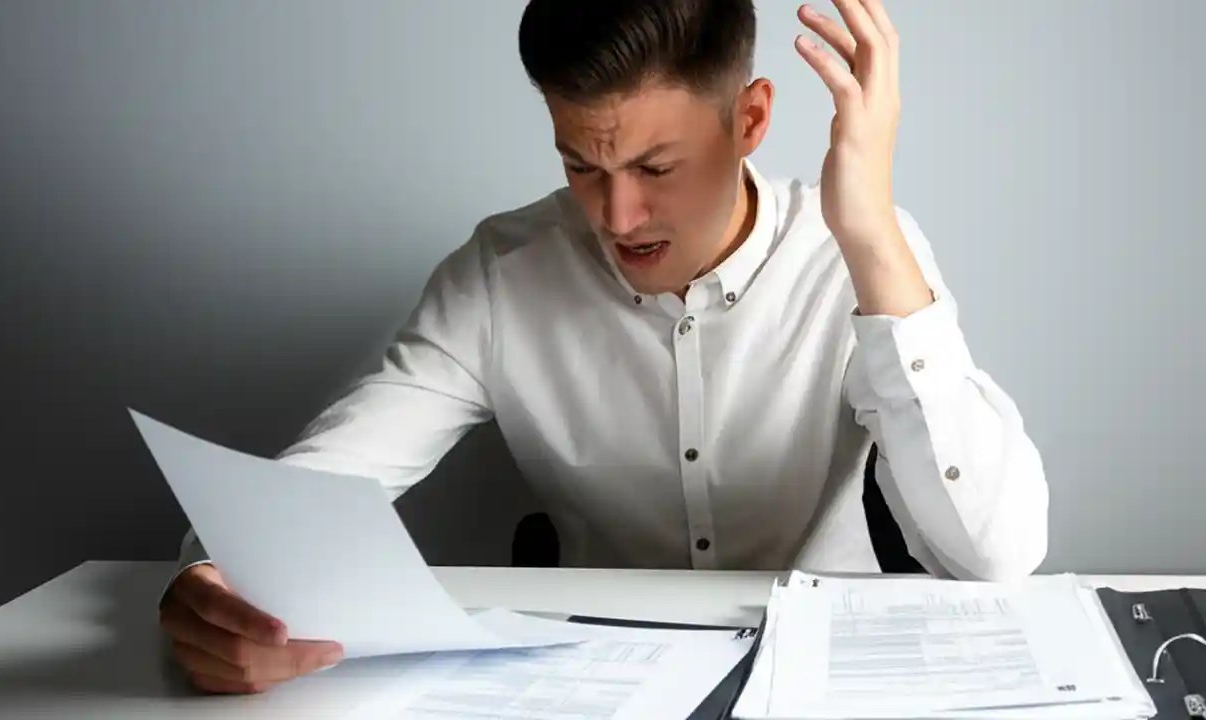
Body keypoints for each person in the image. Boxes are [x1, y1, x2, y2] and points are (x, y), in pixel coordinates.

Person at [158, 0, 1049, 695]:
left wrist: (870, 231)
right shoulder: (502, 274)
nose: (618, 219)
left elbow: (994, 553)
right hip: (596, 688)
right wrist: (218, 576)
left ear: (751, 119)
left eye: (656, 169)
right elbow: (313, 486)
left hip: (831, 678)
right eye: (582, 166)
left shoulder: (862, 256)